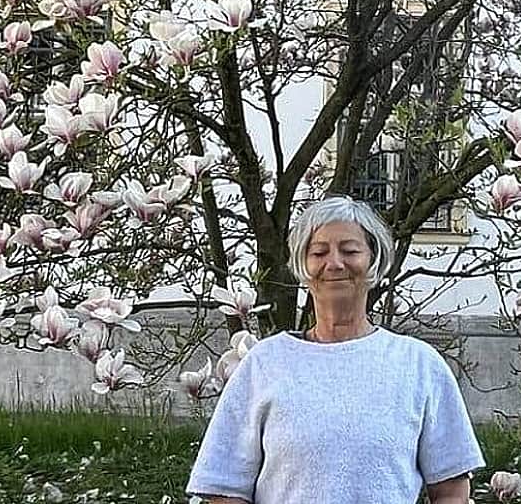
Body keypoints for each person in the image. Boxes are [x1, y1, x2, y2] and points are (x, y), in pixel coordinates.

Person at [186, 195, 485, 504]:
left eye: (350, 250)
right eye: (319, 252)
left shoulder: (419, 366)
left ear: (374, 259)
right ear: (304, 264)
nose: (334, 263)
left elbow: (451, 489)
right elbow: (224, 488)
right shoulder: (264, 364)